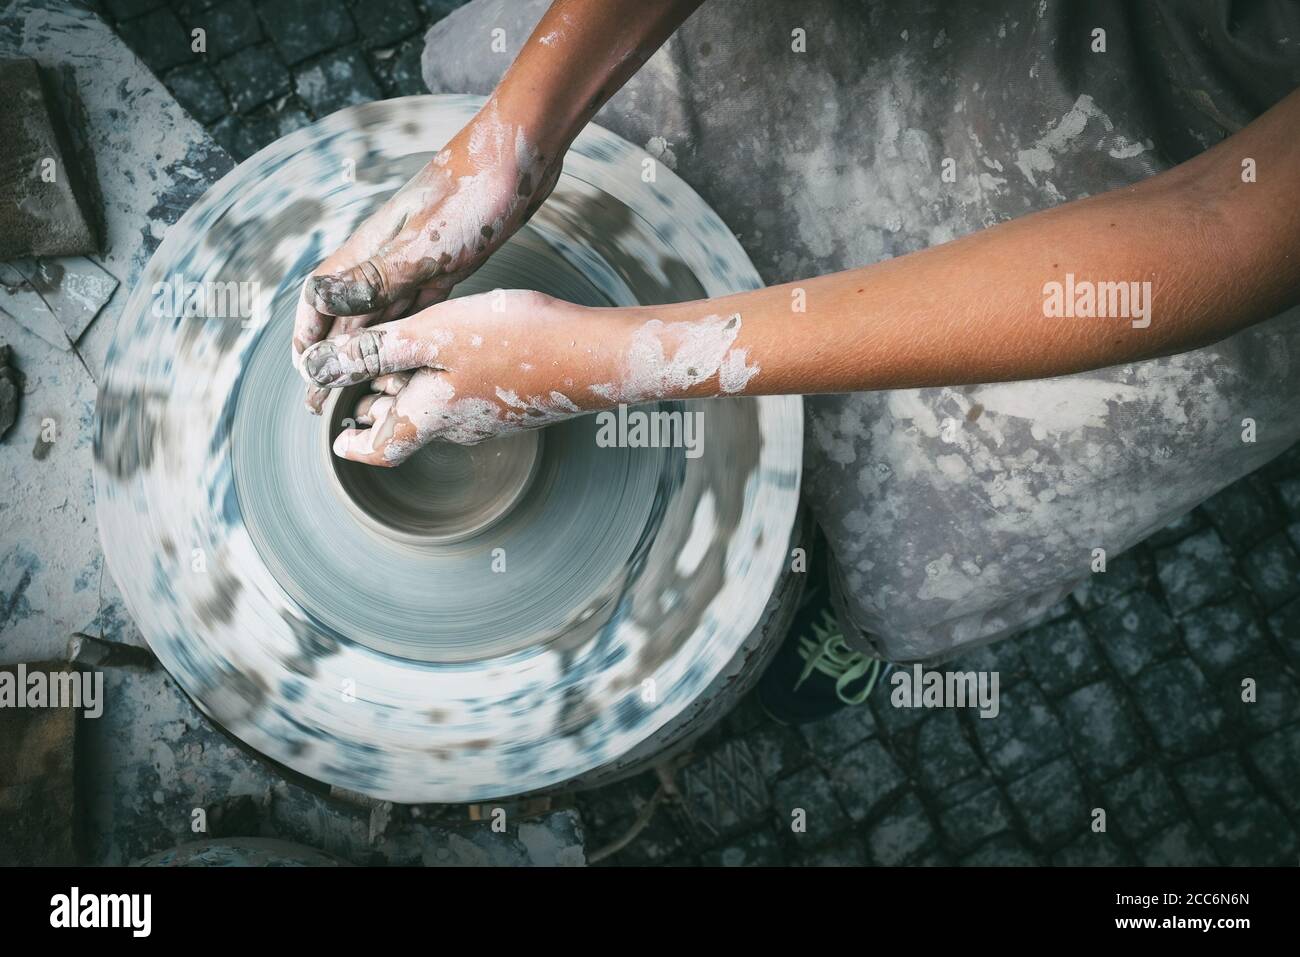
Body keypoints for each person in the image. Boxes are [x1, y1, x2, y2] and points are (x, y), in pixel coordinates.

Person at [292, 0, 1300, 723]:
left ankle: (854, 619)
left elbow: (1218, 229)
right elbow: (531, 102)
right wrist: (516, 133)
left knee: (941, 526)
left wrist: (635, 359)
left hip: (1226, 177)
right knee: (501, 51)